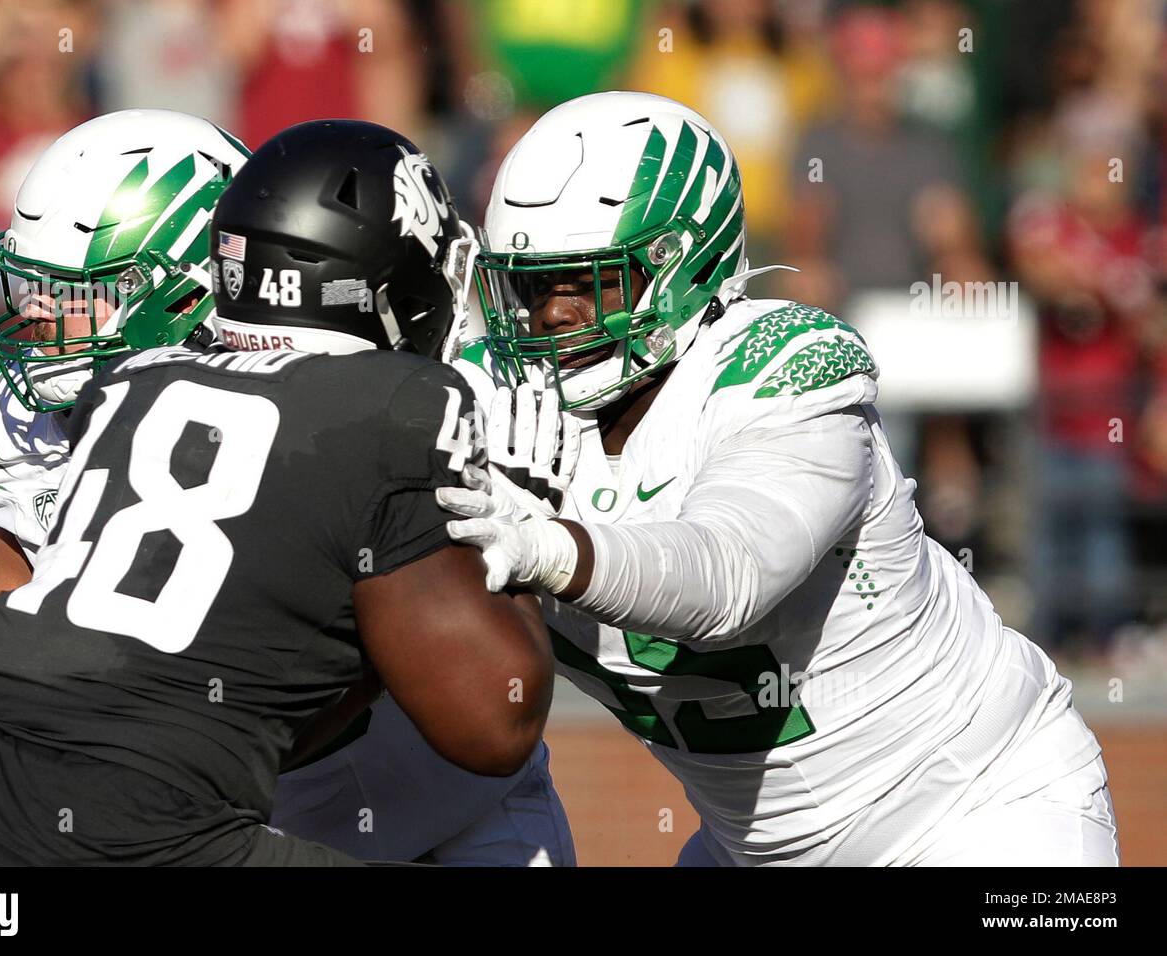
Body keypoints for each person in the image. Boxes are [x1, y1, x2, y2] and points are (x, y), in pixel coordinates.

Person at [446, 91, 1119, 866]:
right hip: (753, 851)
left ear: (678, 269)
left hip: (978, 812)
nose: (553, 315)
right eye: (530, 286)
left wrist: (542, 548)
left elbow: (727, 578)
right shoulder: (484, 397)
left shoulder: (790, 366)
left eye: (586, 281)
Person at [0, 118, 554, 866]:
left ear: (196, 287)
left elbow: (451, 683)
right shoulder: (33, 422)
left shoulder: (385, 400)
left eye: (75, 295)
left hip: (420, 797)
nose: (36, 320)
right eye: (31, 287)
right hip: (206, 809)